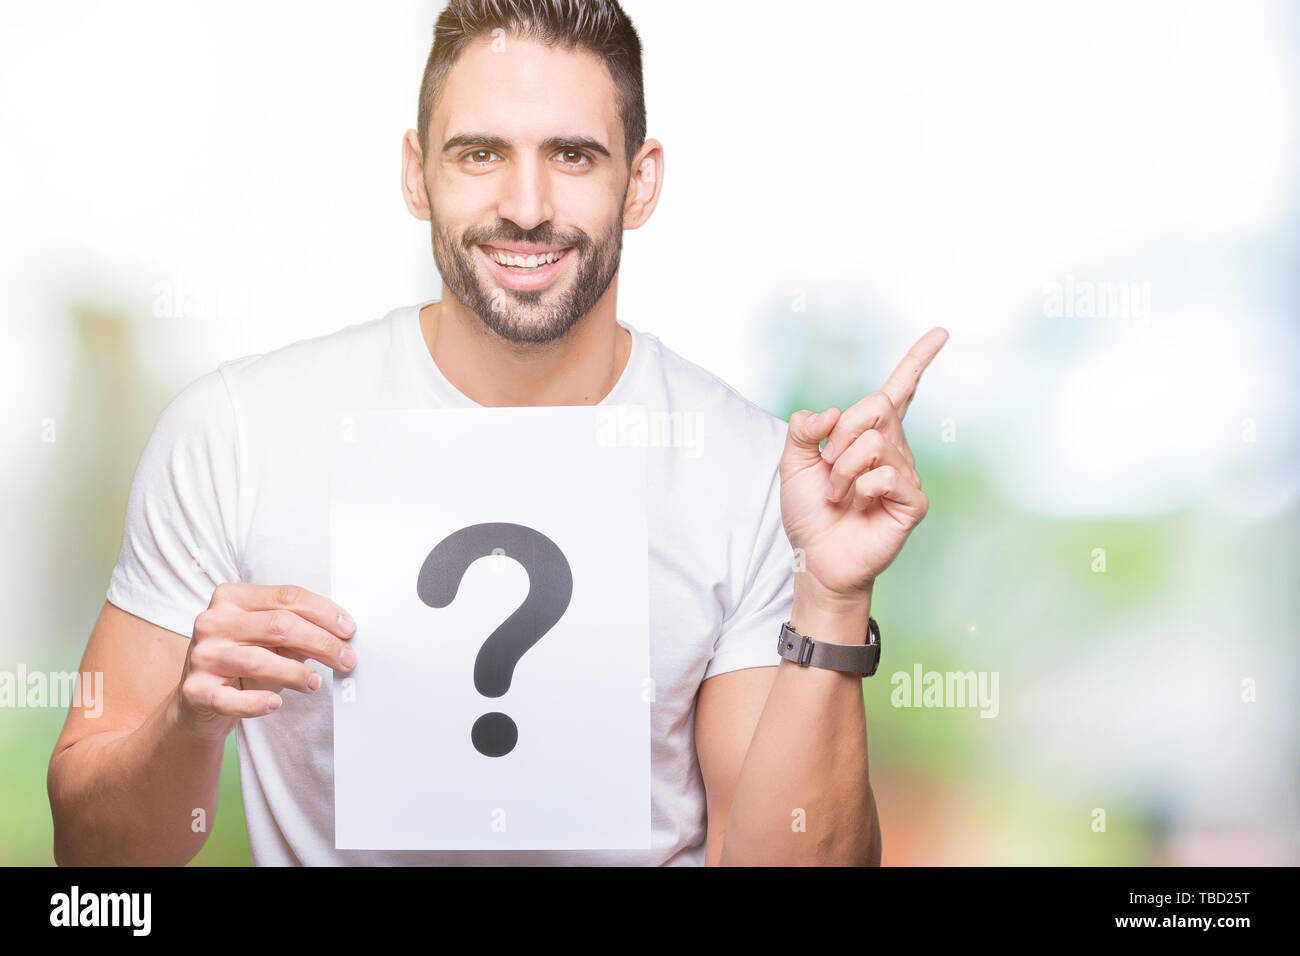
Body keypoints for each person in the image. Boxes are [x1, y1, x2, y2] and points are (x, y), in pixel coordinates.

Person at [47, 0, 945, 866]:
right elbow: (94, 856)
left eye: (573, 155)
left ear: (641, 182)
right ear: (415, 172)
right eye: (480, 153)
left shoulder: (751, 475)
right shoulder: (234, 435)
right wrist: (189, 720)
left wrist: (830, 598)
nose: (525, 203)